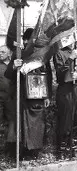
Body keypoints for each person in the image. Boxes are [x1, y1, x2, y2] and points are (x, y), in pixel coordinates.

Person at [4, 28, 52, 159]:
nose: (34, 41)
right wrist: (14, 66)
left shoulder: (42, 55)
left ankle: (34, 152)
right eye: (31, 39)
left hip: (37, 97)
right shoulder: (19, 53)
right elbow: (8, 74)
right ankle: (18, 154)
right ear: (26, 40)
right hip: (21, 96)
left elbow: (48, 76)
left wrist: (47, 95)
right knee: (19, 126)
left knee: (36, 125)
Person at [53, 34, 77, 159]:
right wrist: (70, 58)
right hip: (65, 89)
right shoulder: (59, 53)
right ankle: (61, 150)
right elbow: (59, 73)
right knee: (65, 119)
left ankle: (74, 148)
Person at [0, 46, 14, 157]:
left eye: (3, 51)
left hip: (10, 100)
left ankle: (9, 150)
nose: (0, 53)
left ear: (9, 53)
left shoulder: (12, 65)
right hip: (0, 99)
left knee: (11, 124)